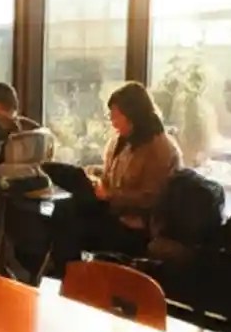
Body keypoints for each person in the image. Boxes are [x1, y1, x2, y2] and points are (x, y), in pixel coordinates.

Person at [56, 81, 182, 266]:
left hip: (137, 226)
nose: (113, 121)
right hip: (113, 212)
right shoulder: (121, 141)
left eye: (116, 115)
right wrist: (94, 176)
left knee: (73, 227)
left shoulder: (160, 149)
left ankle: (69, 274)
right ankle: (65, 273)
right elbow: (111, 175)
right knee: (65, 209)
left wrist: (111, 195)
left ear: (133, 116)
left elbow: (152, 197)